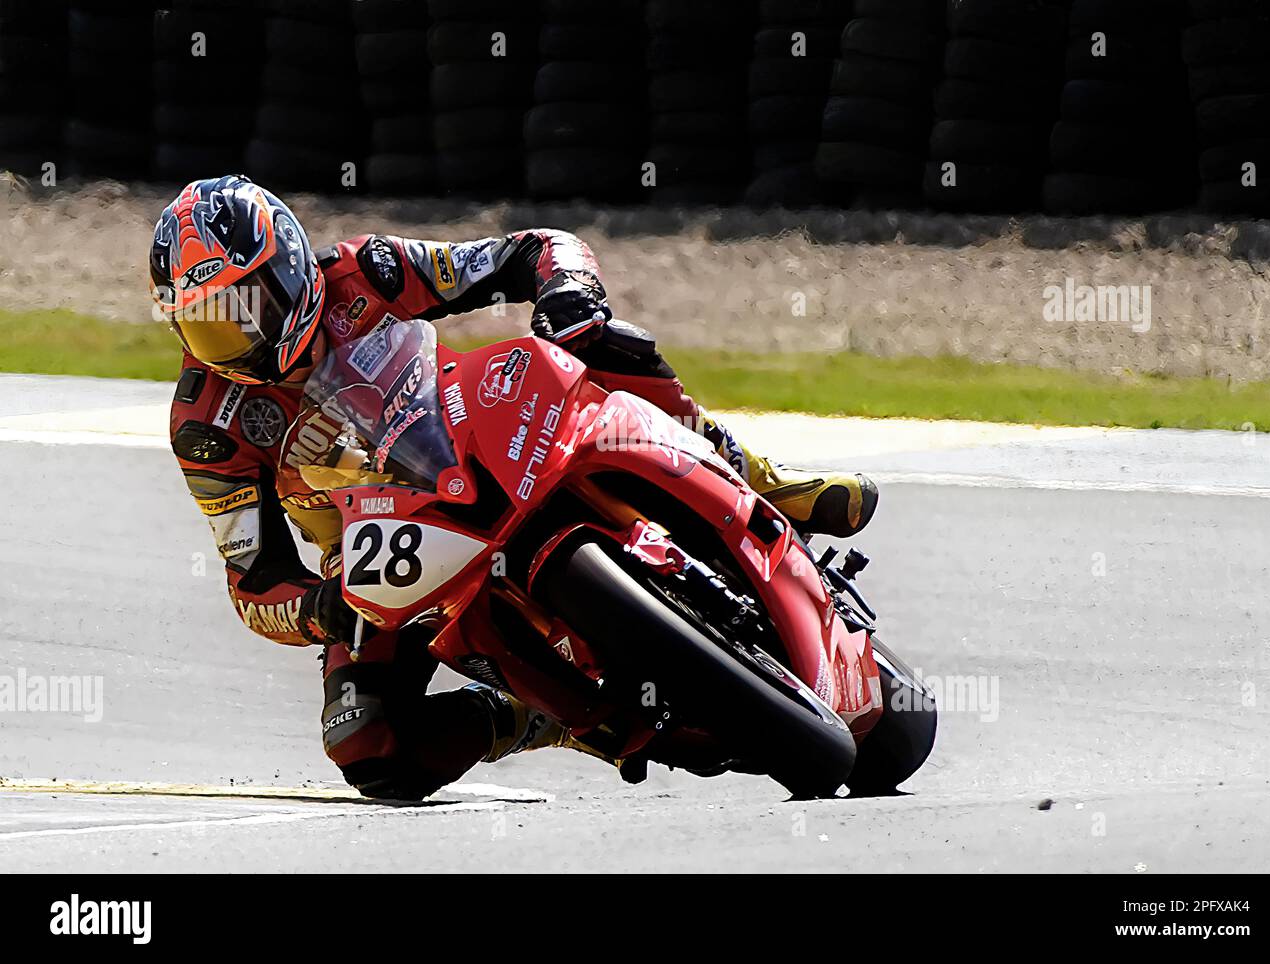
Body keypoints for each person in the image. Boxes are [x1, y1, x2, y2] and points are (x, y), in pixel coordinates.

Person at [151, 175, 877, 799]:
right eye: (206, 324)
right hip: (374, 549)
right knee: (367, 746)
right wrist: (318, 610)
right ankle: (532, 717)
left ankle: (758, 478)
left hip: (468, 428)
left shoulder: (364, 272)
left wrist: (566, 287)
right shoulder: (207, 424)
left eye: (243, 307)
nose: (235, 341)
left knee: (599, 338)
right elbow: (251, 582)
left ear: (289, 269)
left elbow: (526, 249)